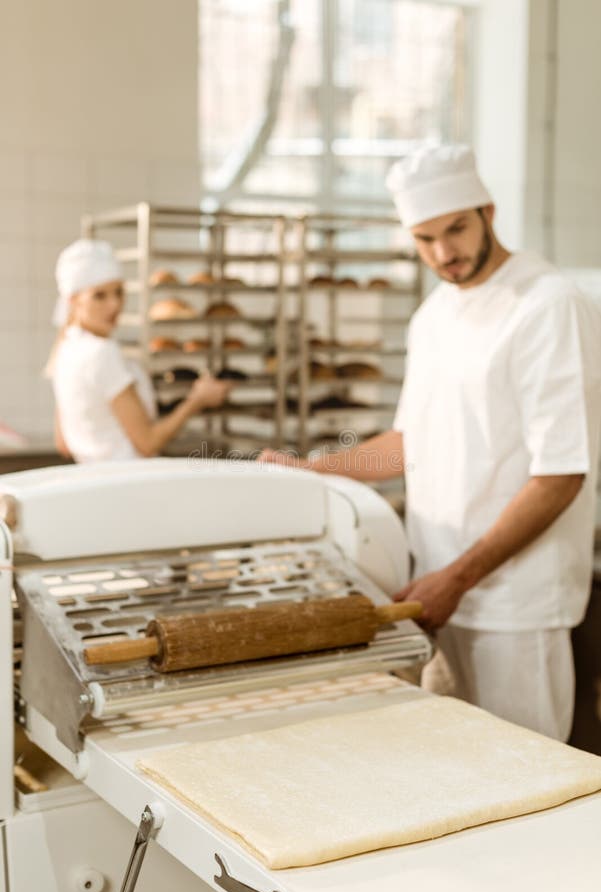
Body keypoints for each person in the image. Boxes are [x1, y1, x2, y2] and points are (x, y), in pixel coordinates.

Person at [260, 144, 601, 742]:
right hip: (435, 593)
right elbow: (405, 443)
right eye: (425, 239)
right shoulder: (433, 315)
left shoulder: (547, 305)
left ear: (488, 212)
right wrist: (309, 470)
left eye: (457, 229)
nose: (445, 253)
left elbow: (562, 474)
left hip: (515, 608)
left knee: (522, 779)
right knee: (454, 771)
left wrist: (460, 577)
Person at [48, 239, 231, 462]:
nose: (114, 305)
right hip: (128, 482)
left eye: (119, 292)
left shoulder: (65, 349)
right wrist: (197, 401)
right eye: (100, 295)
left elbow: (63, 443)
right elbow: (148, 443)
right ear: (73, 300)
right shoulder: (101, 353)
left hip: (93, 479)